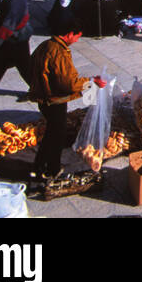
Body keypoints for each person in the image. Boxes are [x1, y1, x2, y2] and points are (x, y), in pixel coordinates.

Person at [28, 21, 104, 185]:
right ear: (70, 33)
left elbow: (30, 66)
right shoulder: (60, 53)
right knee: (55, 135)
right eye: (77, 37)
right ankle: (49, 169)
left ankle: (42, 167)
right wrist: (91, 82)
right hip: (54, 99)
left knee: (52, 132)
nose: (76, 40)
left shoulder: (45, 45)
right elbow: (68, 83)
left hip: (43, 97)